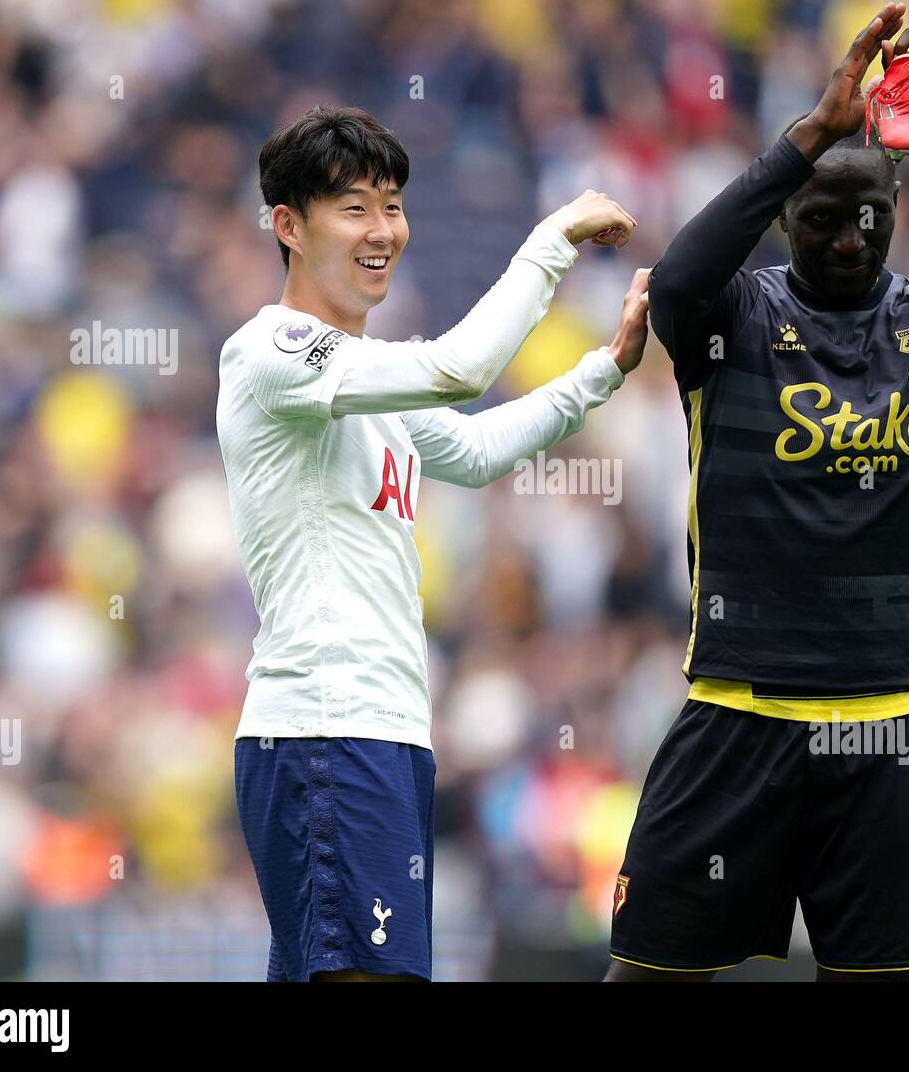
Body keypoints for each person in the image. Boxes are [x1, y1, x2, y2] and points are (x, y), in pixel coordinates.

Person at [606, 3, 909, 981]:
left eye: (866, 215)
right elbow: (673, 288)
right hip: (739, 713)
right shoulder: (732, 319)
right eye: (820, 216)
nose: (843, 237)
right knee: (645, 975)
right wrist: (811, 136)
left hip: (893, 726)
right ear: (787, 215)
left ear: (894, 213)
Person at [218, 104, 649, 981]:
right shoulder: (271, 349)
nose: (383, 231)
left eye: (393, 205)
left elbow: (480, 449)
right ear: (288, 227)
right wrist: (553, 239)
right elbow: (462, 368)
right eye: (354, 208)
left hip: (382, 735)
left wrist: (602, 370)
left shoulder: (365, 383)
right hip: (323, 733)